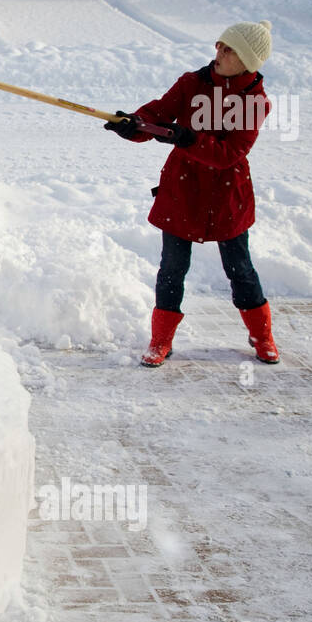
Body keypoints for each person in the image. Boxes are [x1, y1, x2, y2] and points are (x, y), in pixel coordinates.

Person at [105, 20, 278, 368]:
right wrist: (133, 124)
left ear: (247, 60)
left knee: (239, 268)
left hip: (227, 195)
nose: (219, 51)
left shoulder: (255, 102)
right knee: (172, 267)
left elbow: (230, 154)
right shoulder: (191, 83)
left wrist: (187, 138)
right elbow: (158, 115)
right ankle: (161, 341)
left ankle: (262, 336)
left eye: (229, 49)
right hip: (182, 188)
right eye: (220, 44)